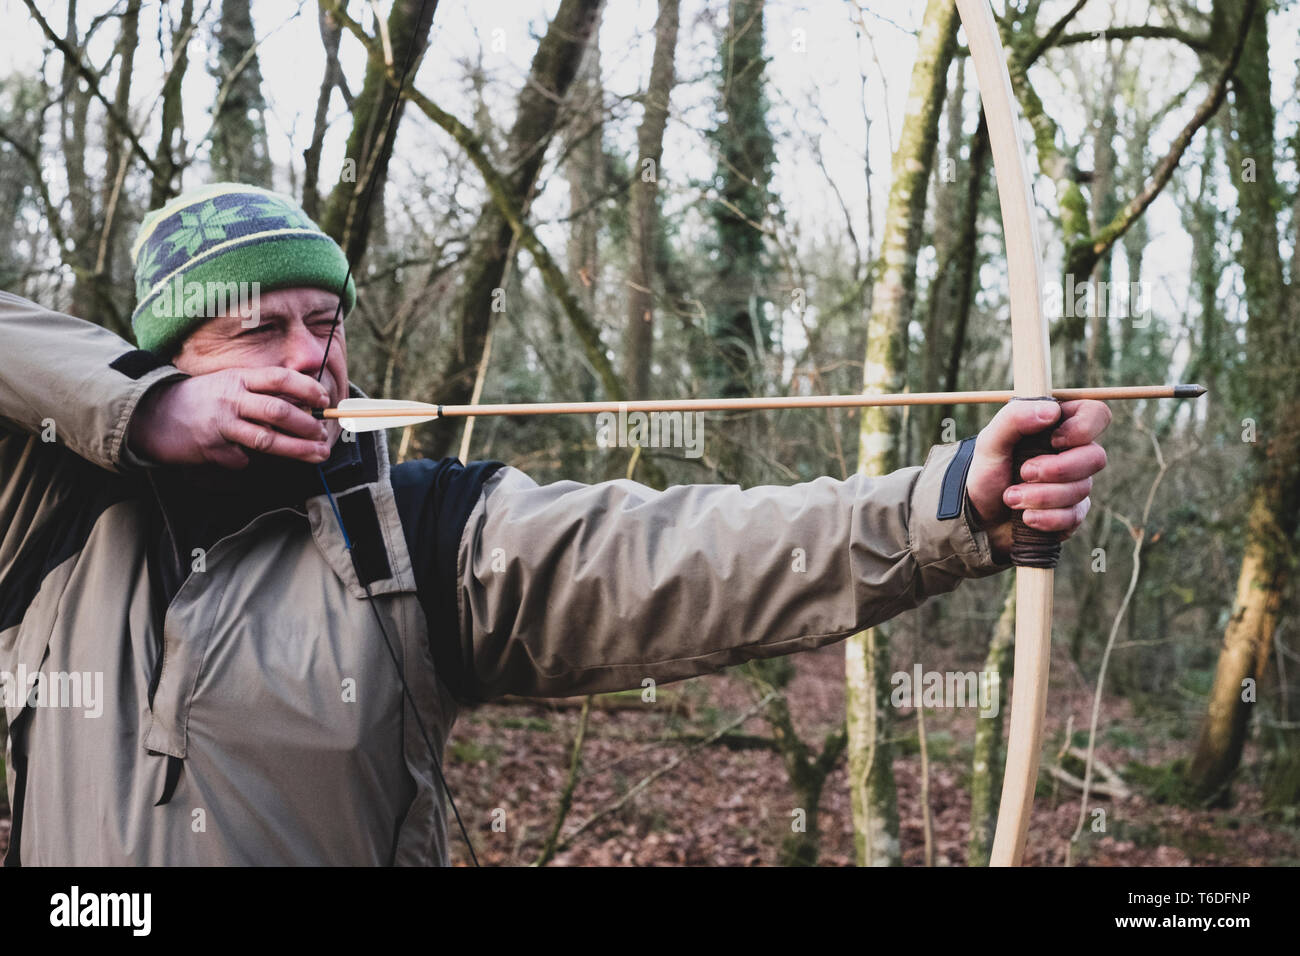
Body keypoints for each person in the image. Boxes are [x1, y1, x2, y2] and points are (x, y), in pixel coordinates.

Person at [0, 183, 1108, 865]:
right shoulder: (49, 513)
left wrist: (948, 504)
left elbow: (671, 556)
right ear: (169, 355)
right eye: (259, 329)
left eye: (325, 322)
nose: (309, 357)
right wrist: (144, 411)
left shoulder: (411, 536)